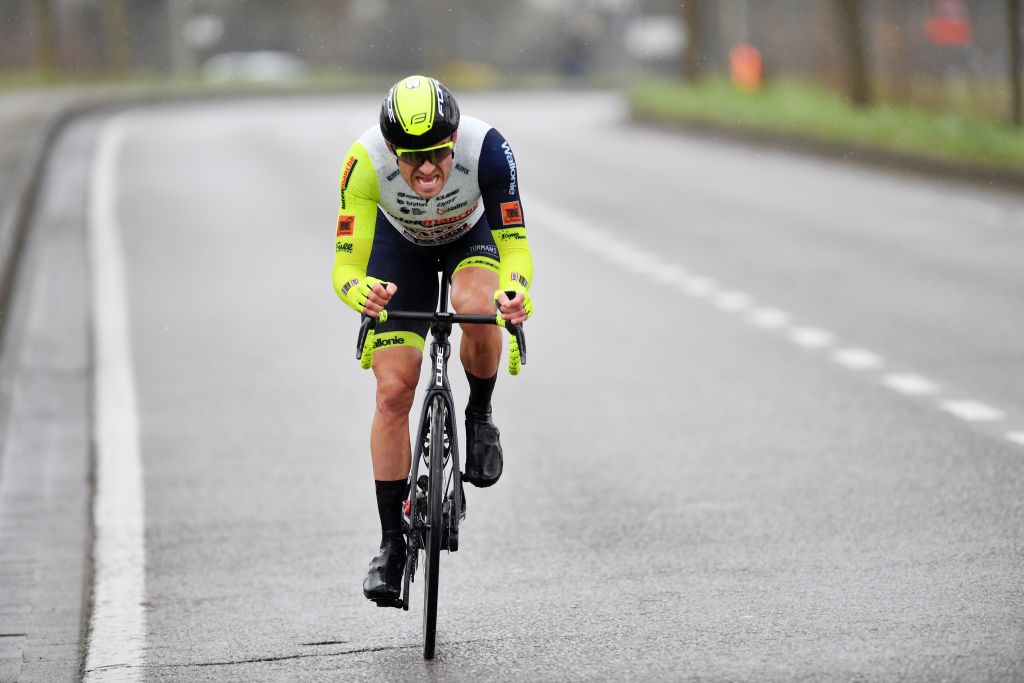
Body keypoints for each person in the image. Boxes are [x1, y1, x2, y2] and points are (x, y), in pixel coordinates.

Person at [332, 75, 534, 604]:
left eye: (437, 155)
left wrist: (513, 292)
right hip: (400, 252)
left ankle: (479, 415)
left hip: (471, 238)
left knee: (477, 308)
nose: (426, 170)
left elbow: (515, 248)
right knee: (393, 391)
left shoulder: (487, 149)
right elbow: (345, 266)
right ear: (392, 150)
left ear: (453, 142)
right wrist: (359, 290)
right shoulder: (362, 162)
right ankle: (392, 545)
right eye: (412, 157)